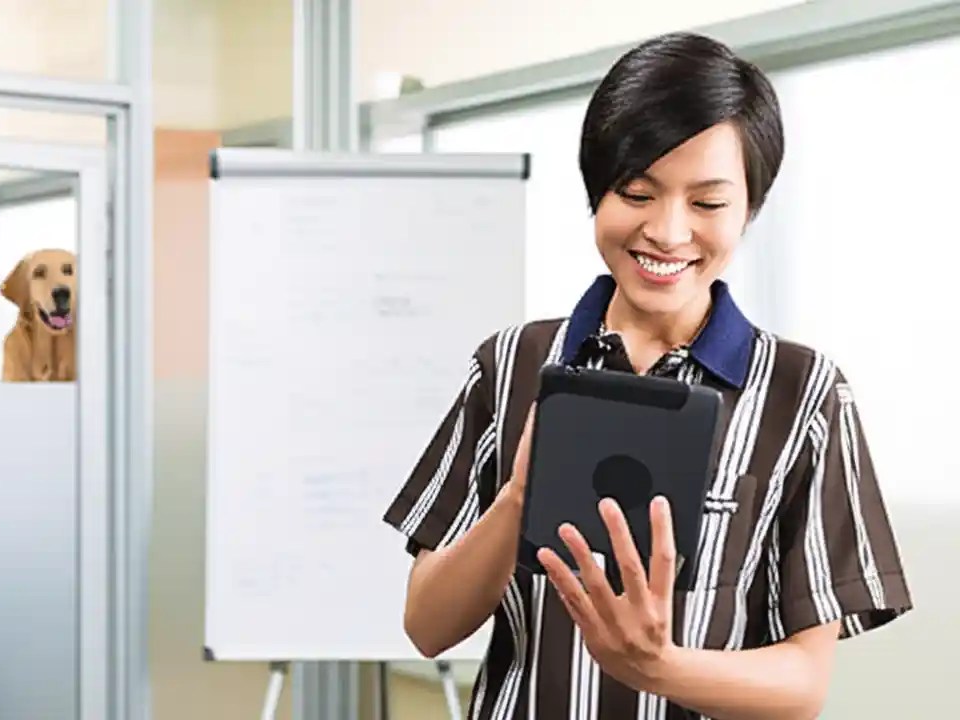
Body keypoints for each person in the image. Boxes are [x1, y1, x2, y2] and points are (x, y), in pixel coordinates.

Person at [382, 31, 912, 720]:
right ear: (597, 193)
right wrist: (518, 498)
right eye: (637, 191)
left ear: (749, 210)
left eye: (708, 203)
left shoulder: (803, 391)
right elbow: (427, 626)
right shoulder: (510, 366)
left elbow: (804, 685)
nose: (667, 231)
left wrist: (657, 667)